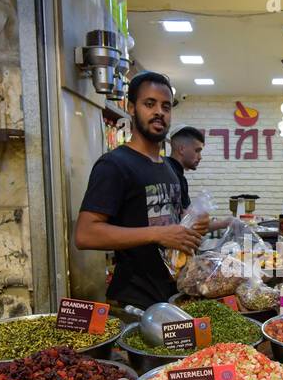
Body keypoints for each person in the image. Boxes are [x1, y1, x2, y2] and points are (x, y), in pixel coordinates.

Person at [75, 71, 204, 310]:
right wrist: (157, 233)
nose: (159, 112)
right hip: (134, 301)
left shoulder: (167, 167)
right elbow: (85, 234)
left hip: (173, 295)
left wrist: (194, 224)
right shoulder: (114, 164)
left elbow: (172, 223)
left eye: (166, 106)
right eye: (149, 104)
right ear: (132, 108)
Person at [166, 126, 205, 210]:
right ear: (182, 149)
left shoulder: (178, 174)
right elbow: (184, 219)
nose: (200, 157)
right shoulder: (168, 174)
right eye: (197, 151)